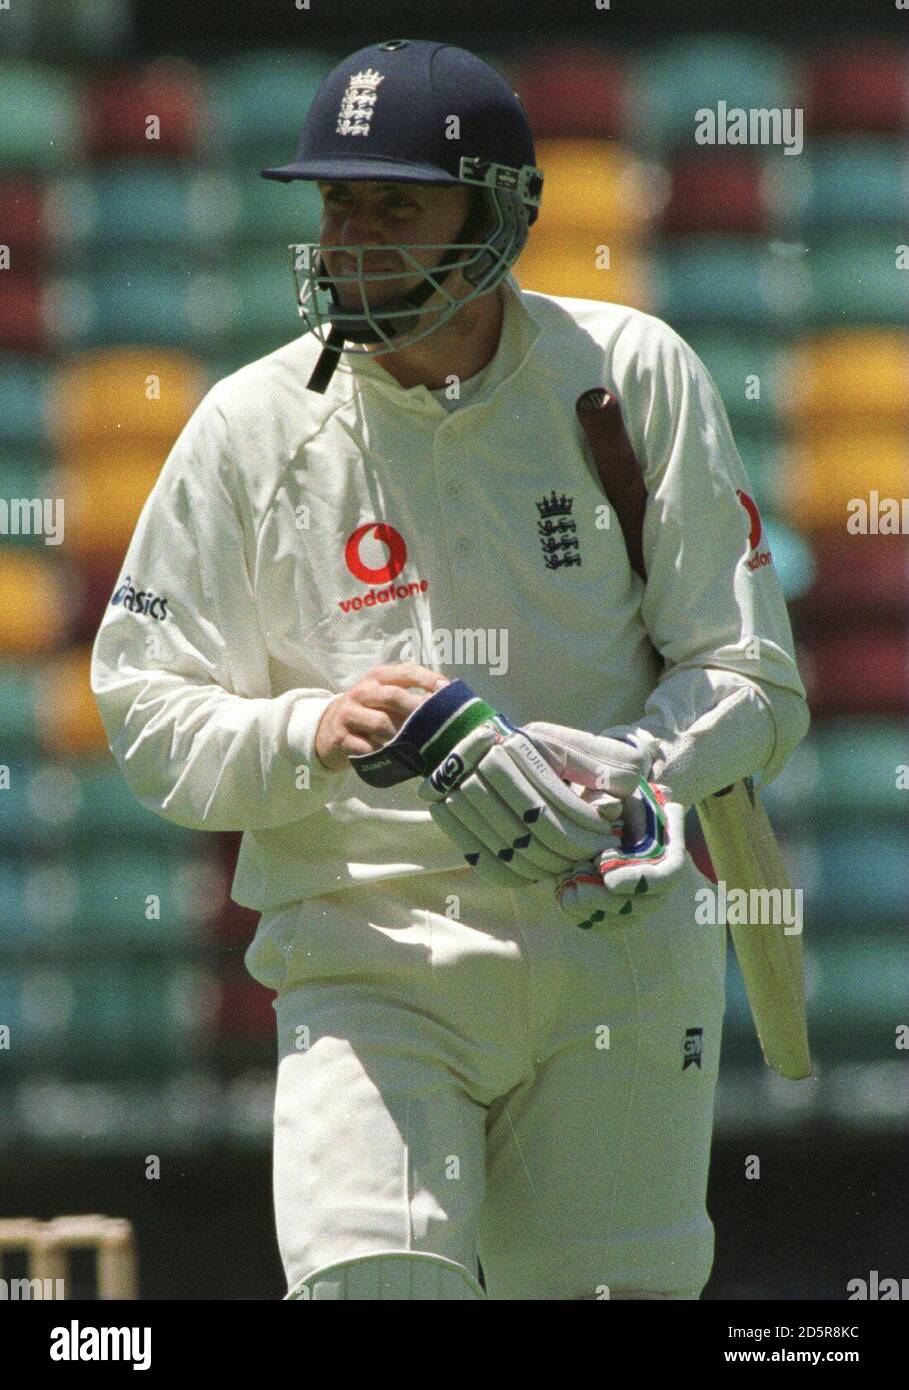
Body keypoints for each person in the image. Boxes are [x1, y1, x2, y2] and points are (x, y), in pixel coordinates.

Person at [91, 39, 810, 1300]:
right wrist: (310, 730)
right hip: (370, 953)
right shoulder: (250, 428)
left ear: (499, 217)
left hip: (621, 943)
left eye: (396, 205)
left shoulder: (627, 376)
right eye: (336, 203)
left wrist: (637, 776)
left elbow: (754, 676)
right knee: (373, 1286)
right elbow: (143, 705)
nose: (353, 239)